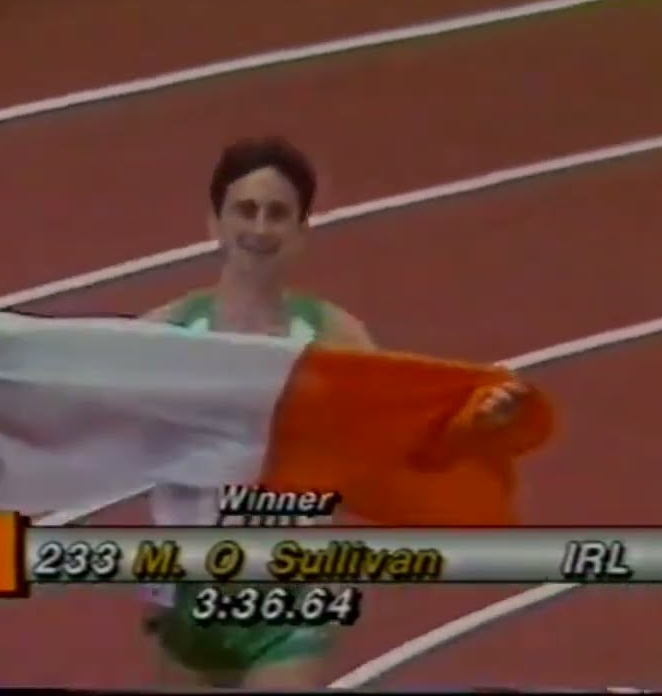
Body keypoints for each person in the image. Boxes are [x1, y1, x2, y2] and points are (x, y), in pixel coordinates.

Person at [136, 136, 530, 689]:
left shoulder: (335, 337)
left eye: (278, 214)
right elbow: (75, 418)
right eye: (245, 210)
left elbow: (398, 438)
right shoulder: (162, 333)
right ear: (215, 222)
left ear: (301, 231)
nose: (259, 228)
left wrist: (472, 425)